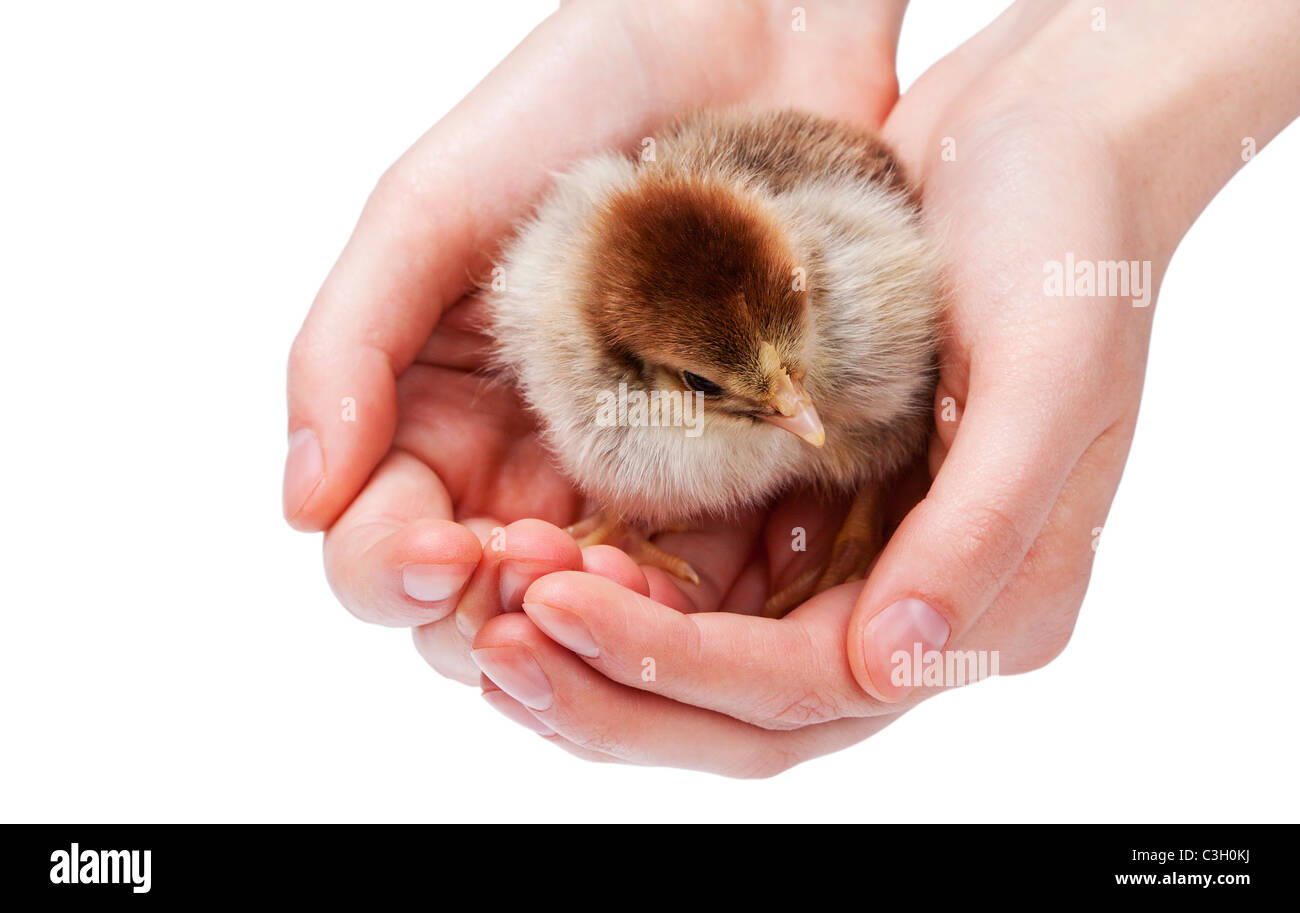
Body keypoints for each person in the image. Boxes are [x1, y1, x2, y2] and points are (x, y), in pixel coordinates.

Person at [281, 0, 1300, 776]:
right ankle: (647, 518)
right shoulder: (577, 339)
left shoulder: (841, 307)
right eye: (735, 384)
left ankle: (855, 509)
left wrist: (1096, 115)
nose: (793, 404)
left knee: (862, 412)